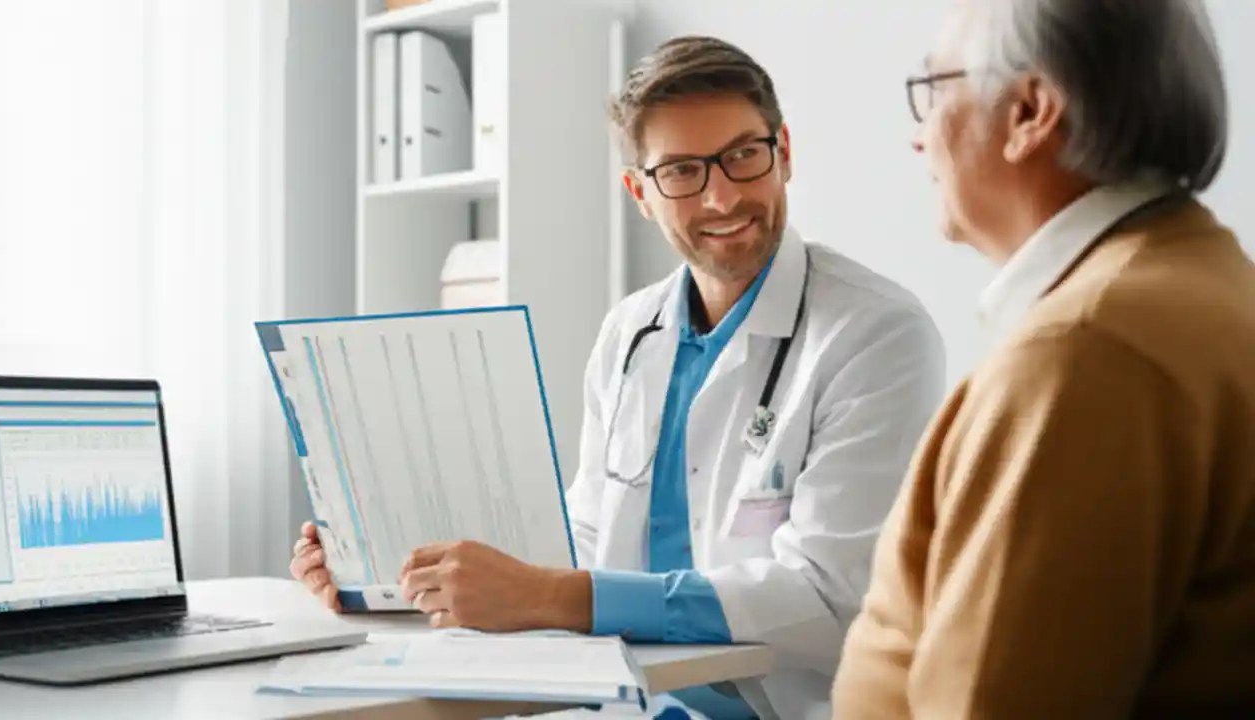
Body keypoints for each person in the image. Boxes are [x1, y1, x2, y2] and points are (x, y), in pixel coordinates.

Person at [293, 36, 945, 718]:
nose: (722, 197)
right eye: (683, 172)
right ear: (640, 191)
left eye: (744, 156)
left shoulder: (875, 334)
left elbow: (827, 598)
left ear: (784, 152)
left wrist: (551, 596)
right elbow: (583, 540)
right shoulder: (630, 334)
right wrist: (386, 573)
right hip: (626, 702)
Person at [833, 1, 1255, 718]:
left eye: (935, 91)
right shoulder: (1199, 282)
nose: (920, 137)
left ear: (1030, 110)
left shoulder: (1086, 356)